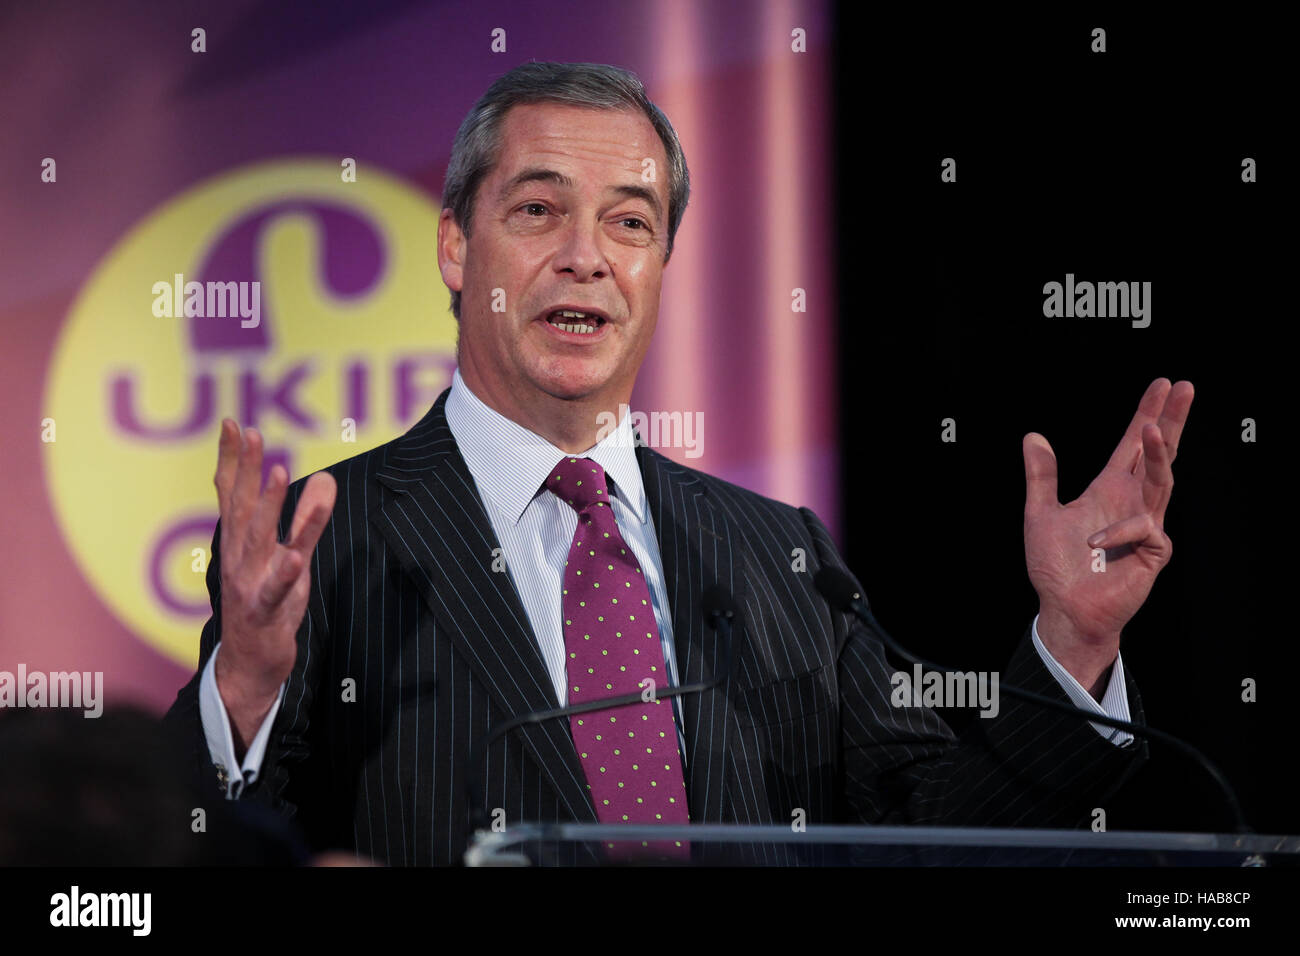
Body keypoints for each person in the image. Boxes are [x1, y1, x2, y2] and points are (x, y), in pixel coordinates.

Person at [165, 61, 1194, 866]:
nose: (586, 255)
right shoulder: (331, 533)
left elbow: (928, 830)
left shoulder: (782, 550)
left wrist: (1067, 640)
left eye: (630, 221)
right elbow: (196, 845)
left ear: (659, 267)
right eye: (537, 210)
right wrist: (247, 685)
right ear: (452, 248)